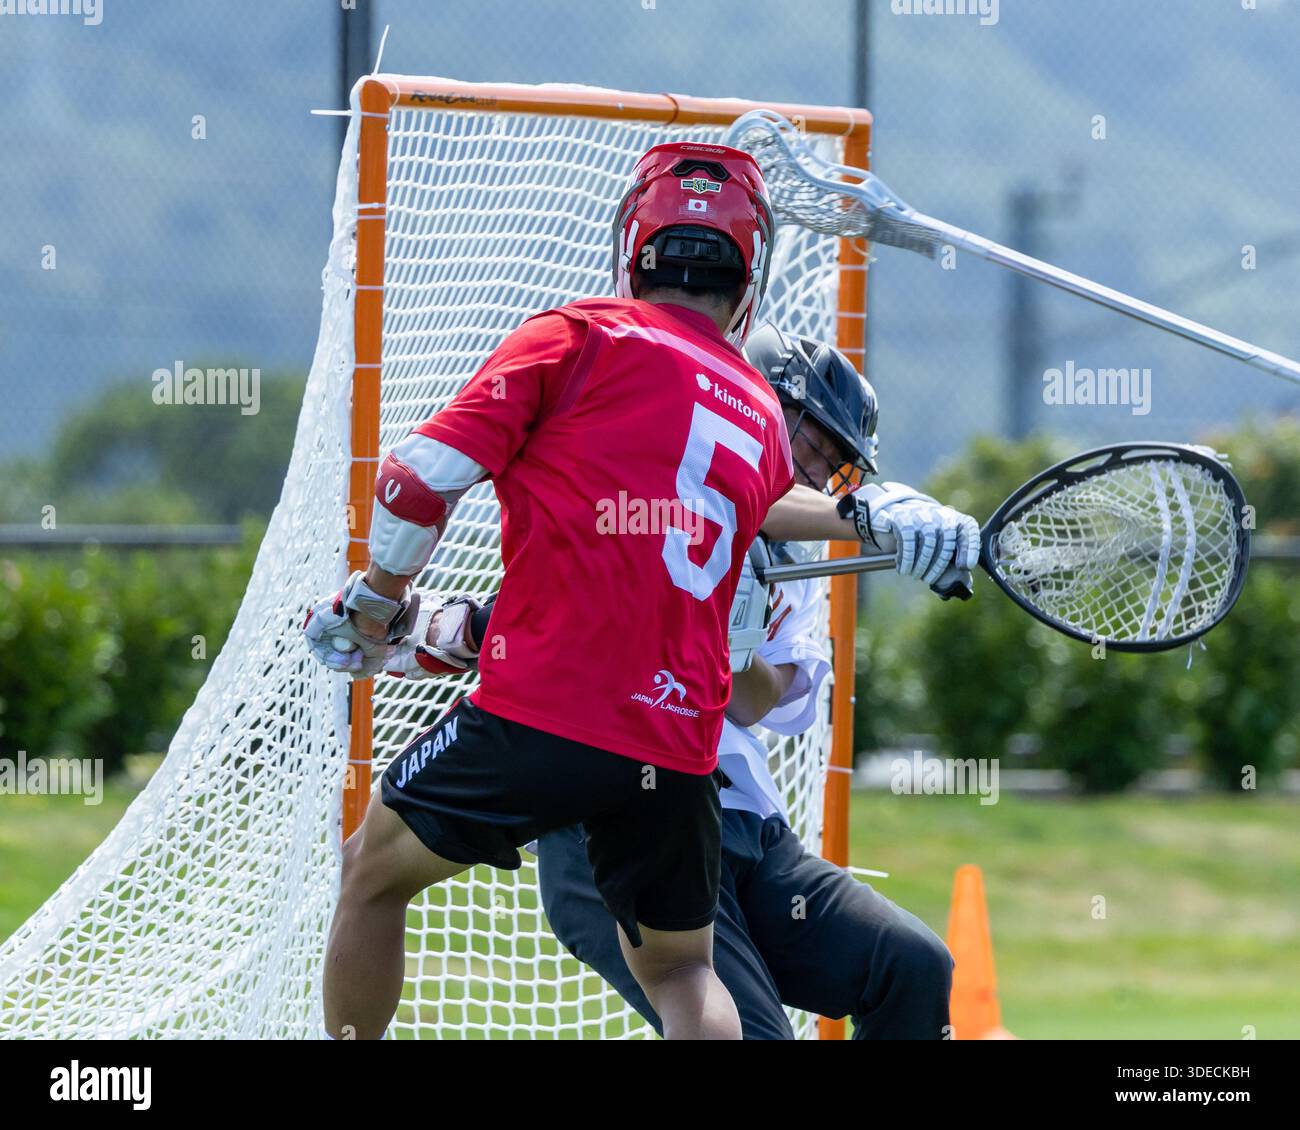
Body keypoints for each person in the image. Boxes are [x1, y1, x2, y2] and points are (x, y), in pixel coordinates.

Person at [401, 322, 964, 1038]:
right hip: (629, 821)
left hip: (747, 833)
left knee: (913, 966)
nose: (815, 471)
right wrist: (866, 519)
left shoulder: (799, 565)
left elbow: (763, 699)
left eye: (832, 464)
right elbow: (577, 624)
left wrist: (734, 646)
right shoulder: (661, 503)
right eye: (810, 441)